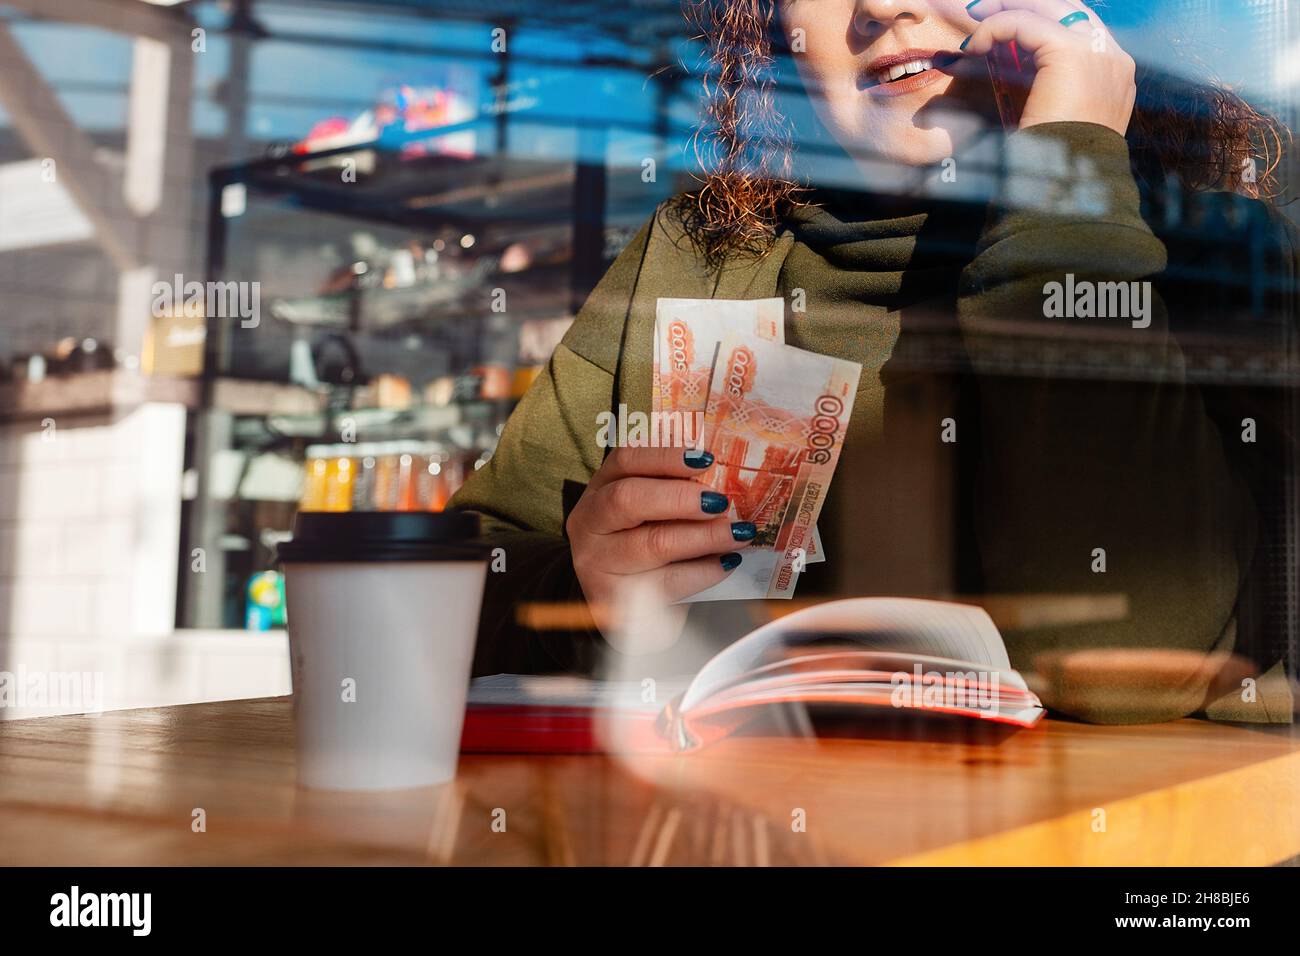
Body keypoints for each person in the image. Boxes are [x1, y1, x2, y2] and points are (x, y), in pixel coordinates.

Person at [451, 0, 1298, 722]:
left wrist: (1063, 180)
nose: (881, 8)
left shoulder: (1220, 264)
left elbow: (1129, 664)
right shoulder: (696, 257)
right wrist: (587, 594)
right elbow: (454, 596)